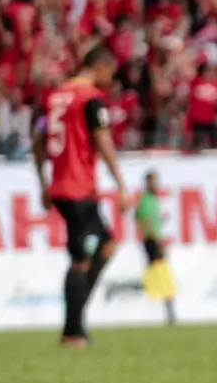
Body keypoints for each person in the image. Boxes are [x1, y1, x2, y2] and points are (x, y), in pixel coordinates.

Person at [32, 46, 130, 348]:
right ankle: (72, 331)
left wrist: (43, 182)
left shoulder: (55, 96)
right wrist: (121, 184)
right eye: (109, 74)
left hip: (62, 187)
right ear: (100, 67)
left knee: (107, 245)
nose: (109, 81)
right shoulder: (90, 100)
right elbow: (102, 140)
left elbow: (37, 140)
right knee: (80, 260)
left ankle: (75, 324)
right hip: (78, 188)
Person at [133, 170, 178, 325]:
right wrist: (154, 239)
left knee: (160, 274)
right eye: (153, 181)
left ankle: (167, 306)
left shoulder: (152, 199)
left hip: (155, 240)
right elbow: (145, 221)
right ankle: (164, 307)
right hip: (152, 242)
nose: (156, 185)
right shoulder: (145, 199)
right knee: (159, 275)